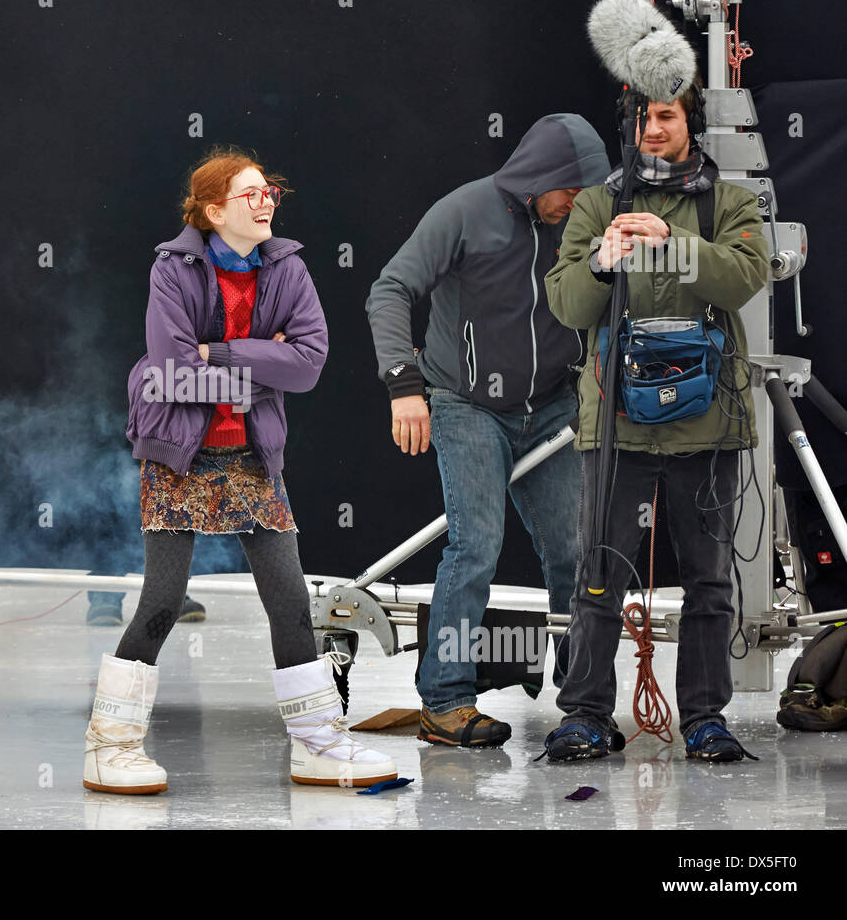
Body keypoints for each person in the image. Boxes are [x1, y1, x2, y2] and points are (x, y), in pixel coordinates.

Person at [82, 148, 397, 793]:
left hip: (254, 456)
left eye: (270, 192)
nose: (266, 203)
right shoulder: (171, 270)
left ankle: (315, 745)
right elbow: (169, 371)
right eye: (251, 194)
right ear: (212, 210)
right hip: (179, 453)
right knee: (164, 601)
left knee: (288, 598)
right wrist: (258, 362)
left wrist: (218, 351)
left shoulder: (289, 269)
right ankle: (109, 745)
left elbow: (307, 365)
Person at [366, 114, 611, 747]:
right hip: (467, 403)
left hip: (554, 403)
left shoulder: (583, 220)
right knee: (475, 546)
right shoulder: (466, 210)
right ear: (540, 178)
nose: (578, 206)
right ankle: (445, 701)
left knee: (573, 550)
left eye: (590, 194)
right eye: (571, 191)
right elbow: (390, 289)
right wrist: (404, 388)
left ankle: (581, 701)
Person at [542, 88, 768, 761]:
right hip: (616, 424)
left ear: (690, 123)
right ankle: (583, 714)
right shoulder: (596, 204)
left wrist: (675, 241)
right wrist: (603, 264)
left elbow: (743, 280)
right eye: (642, 118)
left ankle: (705, 719)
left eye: (666, 115)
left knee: (708, 579)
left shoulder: (730, 204)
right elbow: (567, 307)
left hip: (710, 425)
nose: (653, 128)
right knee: (598, 574)